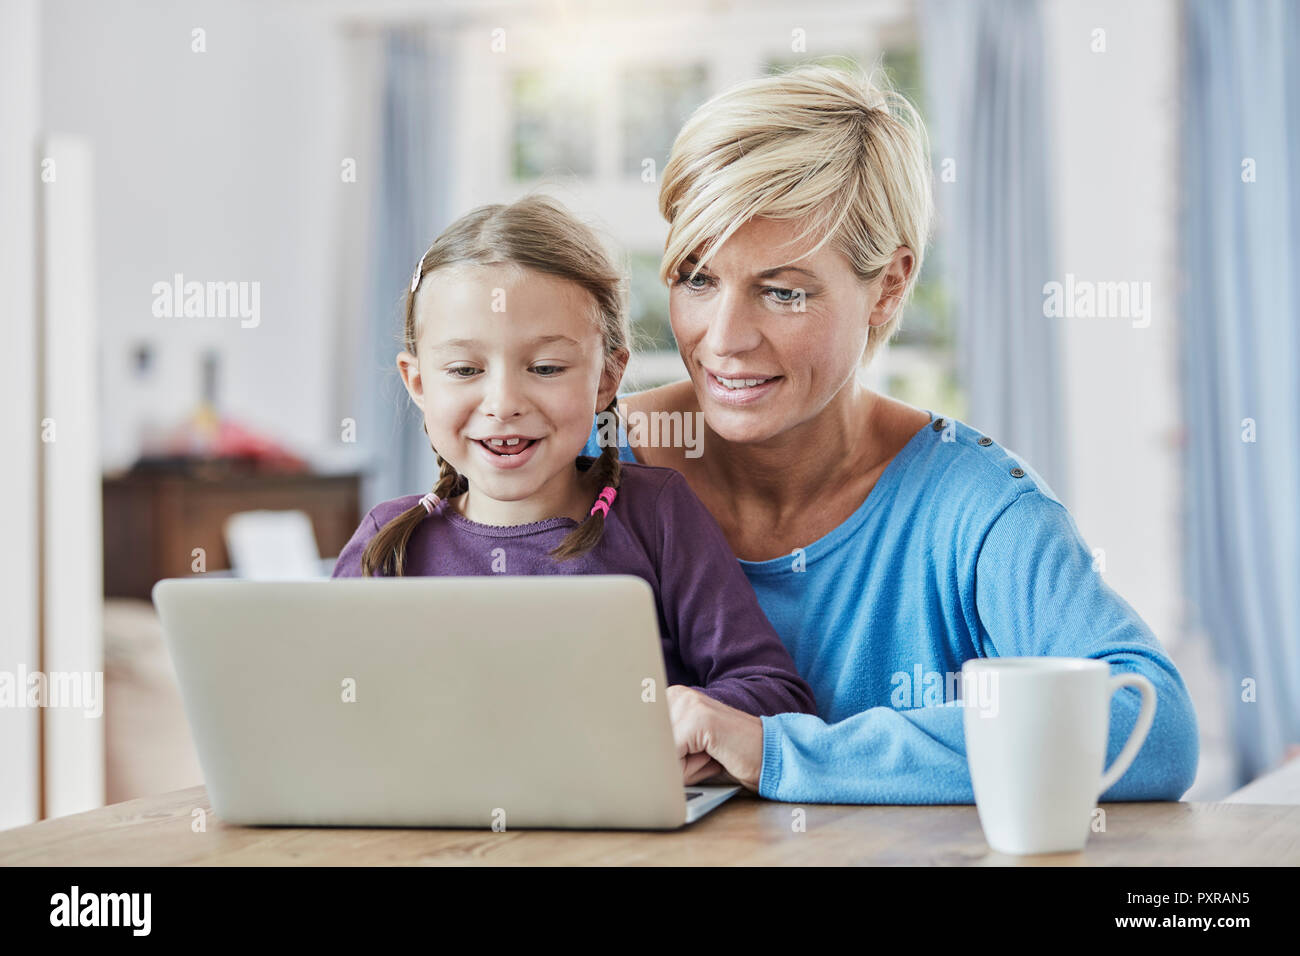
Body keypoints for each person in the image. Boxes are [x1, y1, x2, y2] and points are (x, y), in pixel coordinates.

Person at [583, 65, 1200, 802]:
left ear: (891, 285)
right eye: (697, 279)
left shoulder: (974, 507)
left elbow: (1152, 726)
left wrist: (780, 751)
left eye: (783, 292)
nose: (724, 339)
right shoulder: (588, 462)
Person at [331, 194, 817, 721]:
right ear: (418, 382)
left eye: (544, 368)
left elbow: (774, 693)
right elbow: (324, 700)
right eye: (465, 370)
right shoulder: (389, 542)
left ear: (607, 378)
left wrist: (685, 717)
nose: (504, 404)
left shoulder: (657, 514)